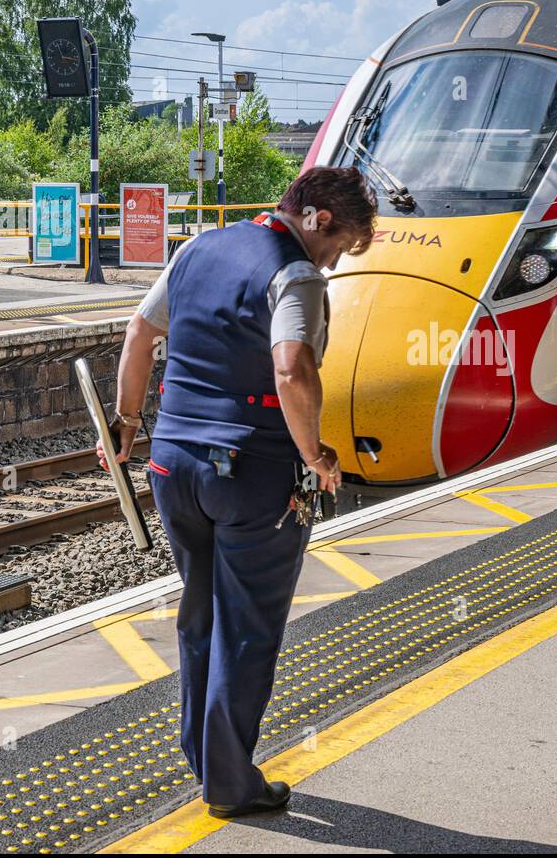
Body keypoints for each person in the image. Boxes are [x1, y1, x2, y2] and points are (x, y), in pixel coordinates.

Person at [102, 166, 377, 817]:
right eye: (341, 248)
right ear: (321, 220)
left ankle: (202, 755)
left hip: (172, 466)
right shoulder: (297, 274)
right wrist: (315, 454)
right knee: (246, 627)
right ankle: (229, 782)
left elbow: (140, 333)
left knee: (199, 613)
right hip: (254, 473)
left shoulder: (197, 248)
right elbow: (291, 368)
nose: (334, 263)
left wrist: (126, 422)